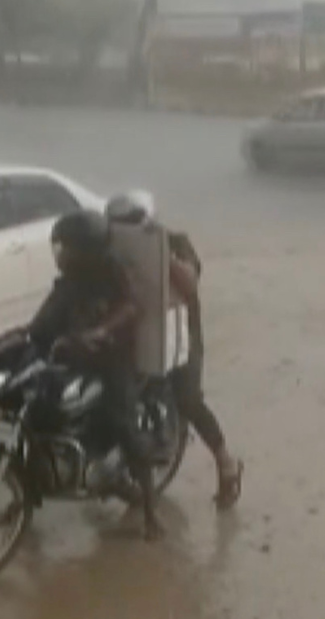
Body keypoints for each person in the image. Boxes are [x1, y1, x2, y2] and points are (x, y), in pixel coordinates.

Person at [25, 208, 162, 540]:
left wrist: (101, 331)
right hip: (74, 350)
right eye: (59, 247)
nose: (62, 254)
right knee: (35, 409)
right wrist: (29, 333)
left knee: (123, 423)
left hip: (112, 355)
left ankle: (150, 513)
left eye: (68, 247)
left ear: (87, 248)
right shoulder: (73, 272)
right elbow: (55, 303)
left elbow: (133, 305)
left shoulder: (112, 268)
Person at [105, 190, 245, 509]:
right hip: (136, 328)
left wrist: (159, 254)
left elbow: (190, 283)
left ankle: (226, 463)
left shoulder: (175, 242)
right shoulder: (112, 246)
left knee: (189, 399)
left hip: (180, 334)